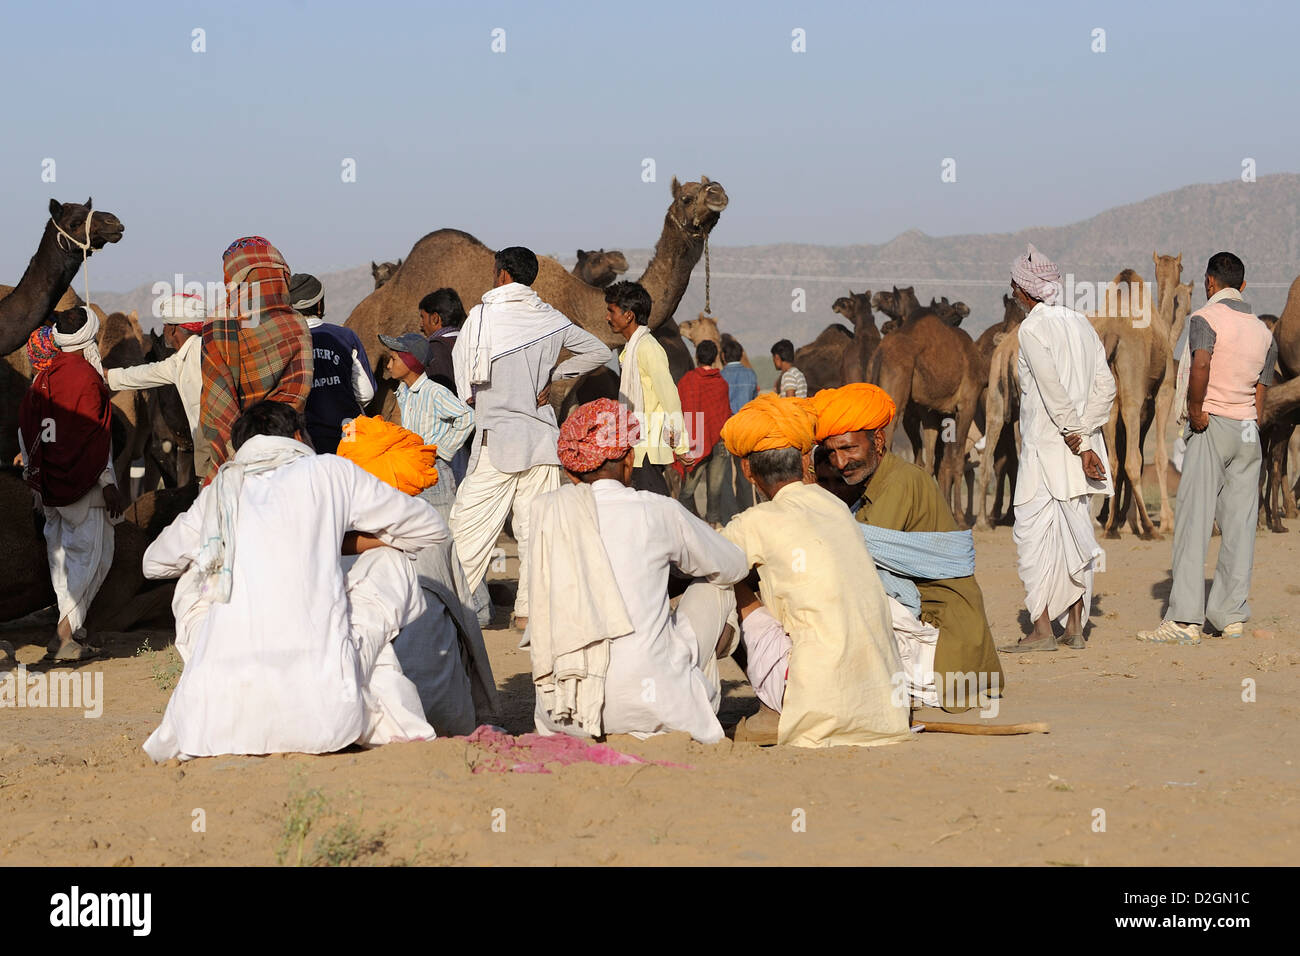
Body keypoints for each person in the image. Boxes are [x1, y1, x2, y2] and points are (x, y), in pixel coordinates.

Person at [141, 401, 444, 762]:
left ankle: (213, 675)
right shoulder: (330, 471)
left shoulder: (220, 491)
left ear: (241, 449)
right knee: (389, 559)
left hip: (214, 725)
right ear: (298, 435)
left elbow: (154, 563)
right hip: (325, 717)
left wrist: (224, 542)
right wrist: (338, 540)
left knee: (198, 569)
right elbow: (431, 528)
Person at [528, 398, 746, 744]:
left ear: (570, 472)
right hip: (658, 706)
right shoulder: (657, 510)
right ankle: (697, 693)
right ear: (629, 459)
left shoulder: (543, 512)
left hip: (565, 713)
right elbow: (733, 565)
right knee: (716, 588)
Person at [719, 393, 911, 748]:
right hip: (886, 709)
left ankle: (772, 712)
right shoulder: (834, 506)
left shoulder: (755, 522)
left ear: (747, 470)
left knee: (726, 584)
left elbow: (709, 562)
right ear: (803, 459)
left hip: (817, 710)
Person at [815, 383, 1005, 711]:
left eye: (848, 448)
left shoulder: (899, 483)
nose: (840, 461)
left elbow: (855, 555)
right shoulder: (874, 483)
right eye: (832, 452)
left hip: (944, 632)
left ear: (877, 441)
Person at [449, 246, 610, 631]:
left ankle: (448, 612)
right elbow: (600, 350)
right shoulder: (549, 317)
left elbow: (464, 380)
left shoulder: (483, 317)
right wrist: (556, 373)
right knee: (533, 531)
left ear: (503, 274)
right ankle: (528, 613)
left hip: (497, 442)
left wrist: (477, 397)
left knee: (466, 531)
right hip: (540, 440)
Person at [1139, 252, 1276, 645]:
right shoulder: (1262, 331)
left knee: (1194, 521)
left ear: (1209, 283)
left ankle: (1184, 621)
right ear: (1243, 287)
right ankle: (1230, 616)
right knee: (1240, 524)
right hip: (1248, 429)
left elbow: (1200, 364)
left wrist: (1196, 410)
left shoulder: (1205, 319)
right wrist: (1251, 420)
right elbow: (1262, 387)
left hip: (1212, 423)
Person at [1004, 244, 1116, 651]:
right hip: (1080, 452)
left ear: (1026, 290)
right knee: (1074, 535)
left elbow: (1051, 390)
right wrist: (1087, 436)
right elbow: (1107, 386)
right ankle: (1074, 630)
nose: (1013, 292)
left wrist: (1077, 437)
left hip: (1047, 450)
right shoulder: (1082, 323)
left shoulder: (1031, 329)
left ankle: (1040, 631)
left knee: (1036, 537)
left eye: (1015, 285)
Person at [18, 311, 124, 662]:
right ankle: (64, 636)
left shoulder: (41, 381)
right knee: (93, 559)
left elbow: (28, 433)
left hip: (50, 489)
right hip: (86, 487)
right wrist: (108, 482)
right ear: (88, 338)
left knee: (61, 562)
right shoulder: (87, 379)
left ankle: (70, 632)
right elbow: (93, 435)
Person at [200, 236, 313, 470]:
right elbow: (298, 395)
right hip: (289, 447)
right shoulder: (296, 322)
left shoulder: (220, 322)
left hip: (237, 449)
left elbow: (219, 398)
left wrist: (237, 451)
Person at [105, 292, 211, 478]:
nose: (163, 331)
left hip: (213, 445)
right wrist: (108, 375)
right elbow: (144, 374)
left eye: (165, 325)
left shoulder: (206, 354)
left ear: (173, 330)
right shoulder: (178, 362)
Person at [378, 331, 474, 523]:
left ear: (410, 362)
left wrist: (441, 450)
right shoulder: (405, 393)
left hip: (435, 473)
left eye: (393, 359)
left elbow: (467, 417)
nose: (388, 365)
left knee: (441, 532)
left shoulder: (434, 392)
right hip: (416, 471)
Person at [606, 280, 688, 495]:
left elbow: (669, 395)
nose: (608, 318)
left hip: (647, 445)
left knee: (657, 508)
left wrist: (681, 443)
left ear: (628, 315)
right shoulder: (631, 350)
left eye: (611, 311)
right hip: (637, 444)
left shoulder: (648, 348)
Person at [290, 273, 376, 454]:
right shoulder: (346, 336)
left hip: (308, 439)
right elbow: (366, 393)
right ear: (320, 304)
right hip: (349, 434)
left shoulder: (286, 344)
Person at [674, 339, 737, 526]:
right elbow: (724, 414)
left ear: (696, 356)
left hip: (696, 441)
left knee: (687, 490)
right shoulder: (721, 383)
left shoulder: (688, 381)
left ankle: (685, 525)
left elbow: (682, 411)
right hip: (720, 442)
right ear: (715, 358)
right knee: (714, 492)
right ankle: (712, 528)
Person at [720, 337, 758, 510]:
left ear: (723, 356)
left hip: (725, 429)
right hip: (745, 429)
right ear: (741, 355)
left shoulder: (720, 376)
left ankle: (728, 512)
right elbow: (754, 402)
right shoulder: (750, 374)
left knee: (725, 474)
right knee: (744, 471)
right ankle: (746, 508)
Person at [418, 288, 466, 394]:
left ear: (435, 318)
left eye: (423, 318)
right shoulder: (469, 341)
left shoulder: (433, 349)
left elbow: (440, 396)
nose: (421, 325)